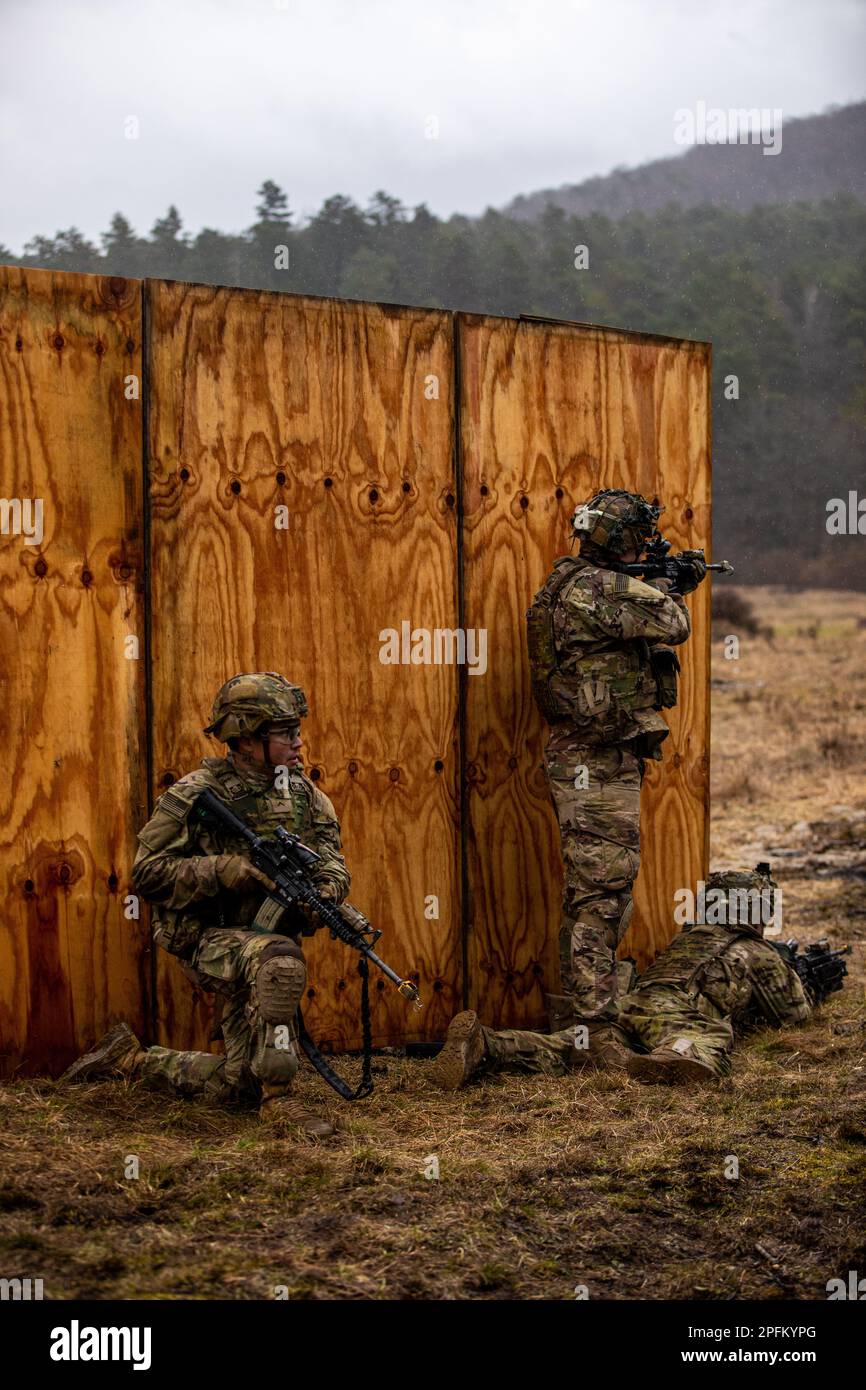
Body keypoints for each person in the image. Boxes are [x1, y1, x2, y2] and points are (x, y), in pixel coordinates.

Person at [60, 672, 349, 1138]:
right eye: (286, 733)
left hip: (265, 941)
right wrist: (221, 871)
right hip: (206, 940)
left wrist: (326, 896)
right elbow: (147, 873)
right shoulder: (196, 795)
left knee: (238, 1084)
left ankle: (133, 1061)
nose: (299, 743)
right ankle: (282, 1103)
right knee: (279, 963)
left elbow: (333, 865)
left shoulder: (307, 798)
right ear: (248, 739)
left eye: (298, 730)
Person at [525, 487, 706, 1040]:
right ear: (621, 539)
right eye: (638, 539)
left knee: (591, 891)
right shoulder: (595, 587)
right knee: (605, 892)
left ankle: (579, 1019)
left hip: (592, 755)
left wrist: (658, 581)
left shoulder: (574, 583)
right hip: (595, 761)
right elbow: (673, 624)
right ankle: (593, 1023)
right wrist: (672, 586)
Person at [430, 868, 818, 1089]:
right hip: (672, 1016)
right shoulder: (753, 950)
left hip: (629, 1005)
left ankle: (489, 1045)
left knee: (574, 1048)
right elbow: (794, 1015)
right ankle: (674, 1058)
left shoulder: (689, 938)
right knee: (708, 1037)